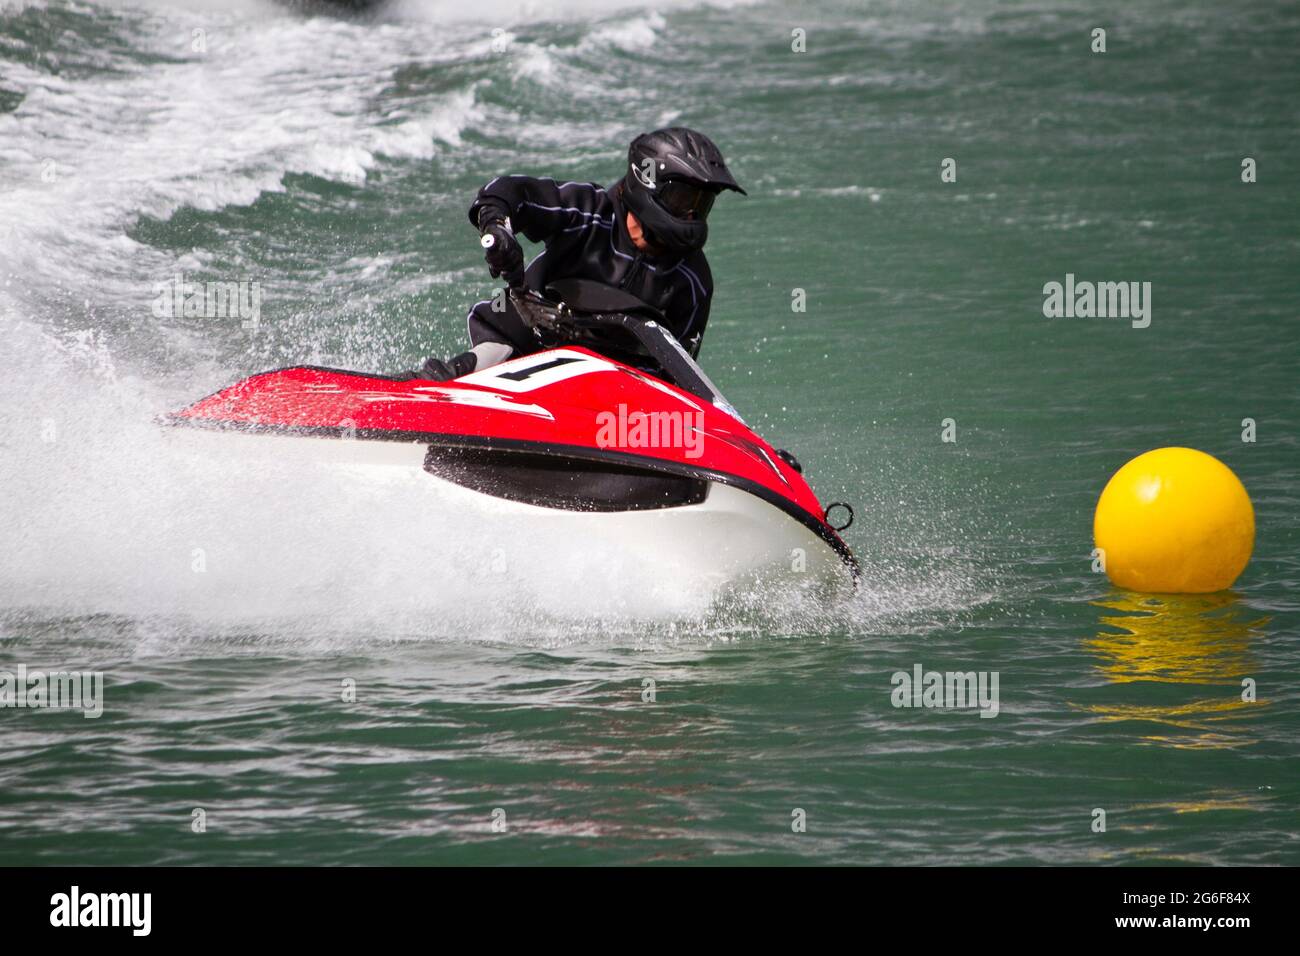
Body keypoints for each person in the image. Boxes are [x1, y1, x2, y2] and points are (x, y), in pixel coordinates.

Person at [409, 127, 745, 380]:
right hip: (522, 351)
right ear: (648, 184)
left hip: (606, 392)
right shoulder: (588, 211)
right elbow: (508, 192)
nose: (692, 216)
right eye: (685, 200)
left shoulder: (694, 281)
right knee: (478, 364)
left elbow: (680, 372)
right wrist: (497, 228)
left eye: (701, 205)